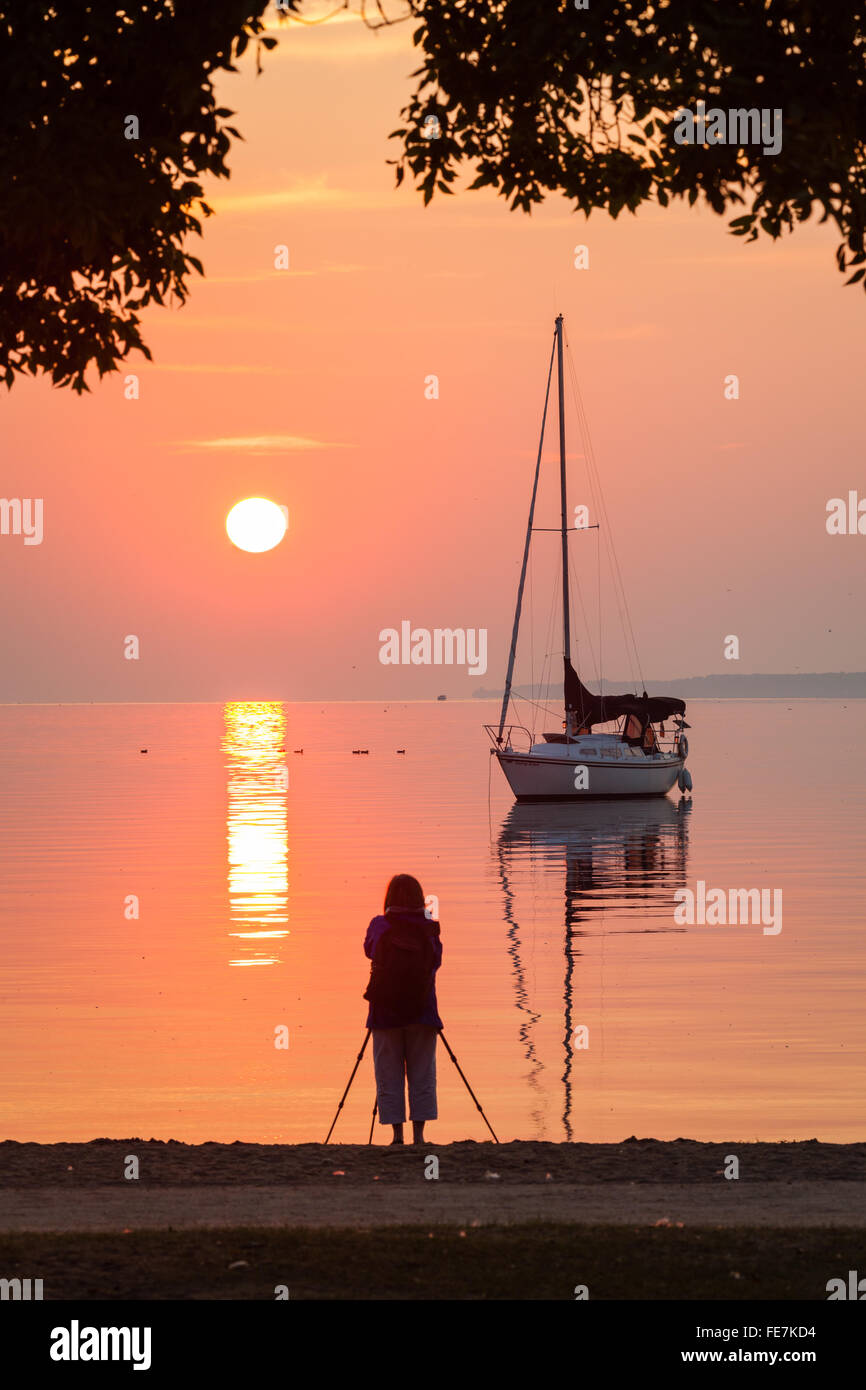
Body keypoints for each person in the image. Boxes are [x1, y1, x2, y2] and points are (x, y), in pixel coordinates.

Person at [363, 874, 442, 1146]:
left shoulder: (379, 924)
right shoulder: (429, 926)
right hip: (423, 1012)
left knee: (388, 1074)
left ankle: (397, 1136)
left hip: (384, 1013)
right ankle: (419, 1137)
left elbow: (368, 951)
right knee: (423, 1074)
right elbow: (436, 961)